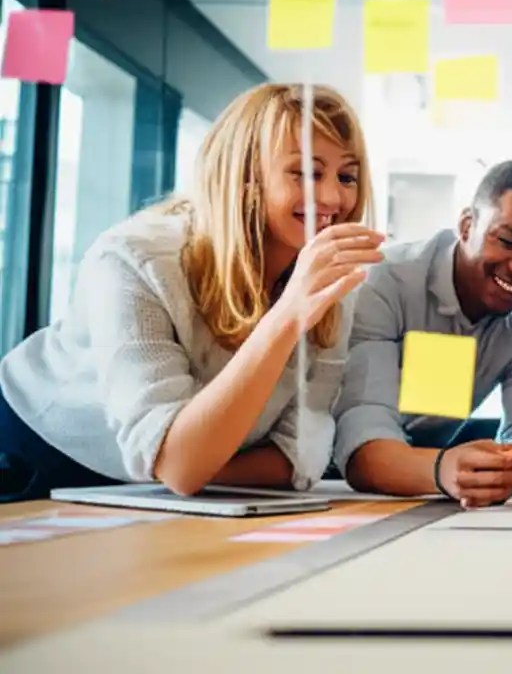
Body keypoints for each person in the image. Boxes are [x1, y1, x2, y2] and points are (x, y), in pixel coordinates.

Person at [0, 84, 383, 501]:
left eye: (346, 176)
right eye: (305, 173)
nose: (332, 197)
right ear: (245, 175)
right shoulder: (134, 259)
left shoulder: (330, 280)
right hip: (37, 456)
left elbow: (300, 456)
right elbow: (180, 466)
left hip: (170, 492)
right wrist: (287, 316)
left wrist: (191, 462)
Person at [334, 161, 512, 505]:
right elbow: (363, 447)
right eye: (507, 241)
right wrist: (446, 469)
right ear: (466, 225)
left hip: (432, 486)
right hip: (332, 480)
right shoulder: (386, 281)